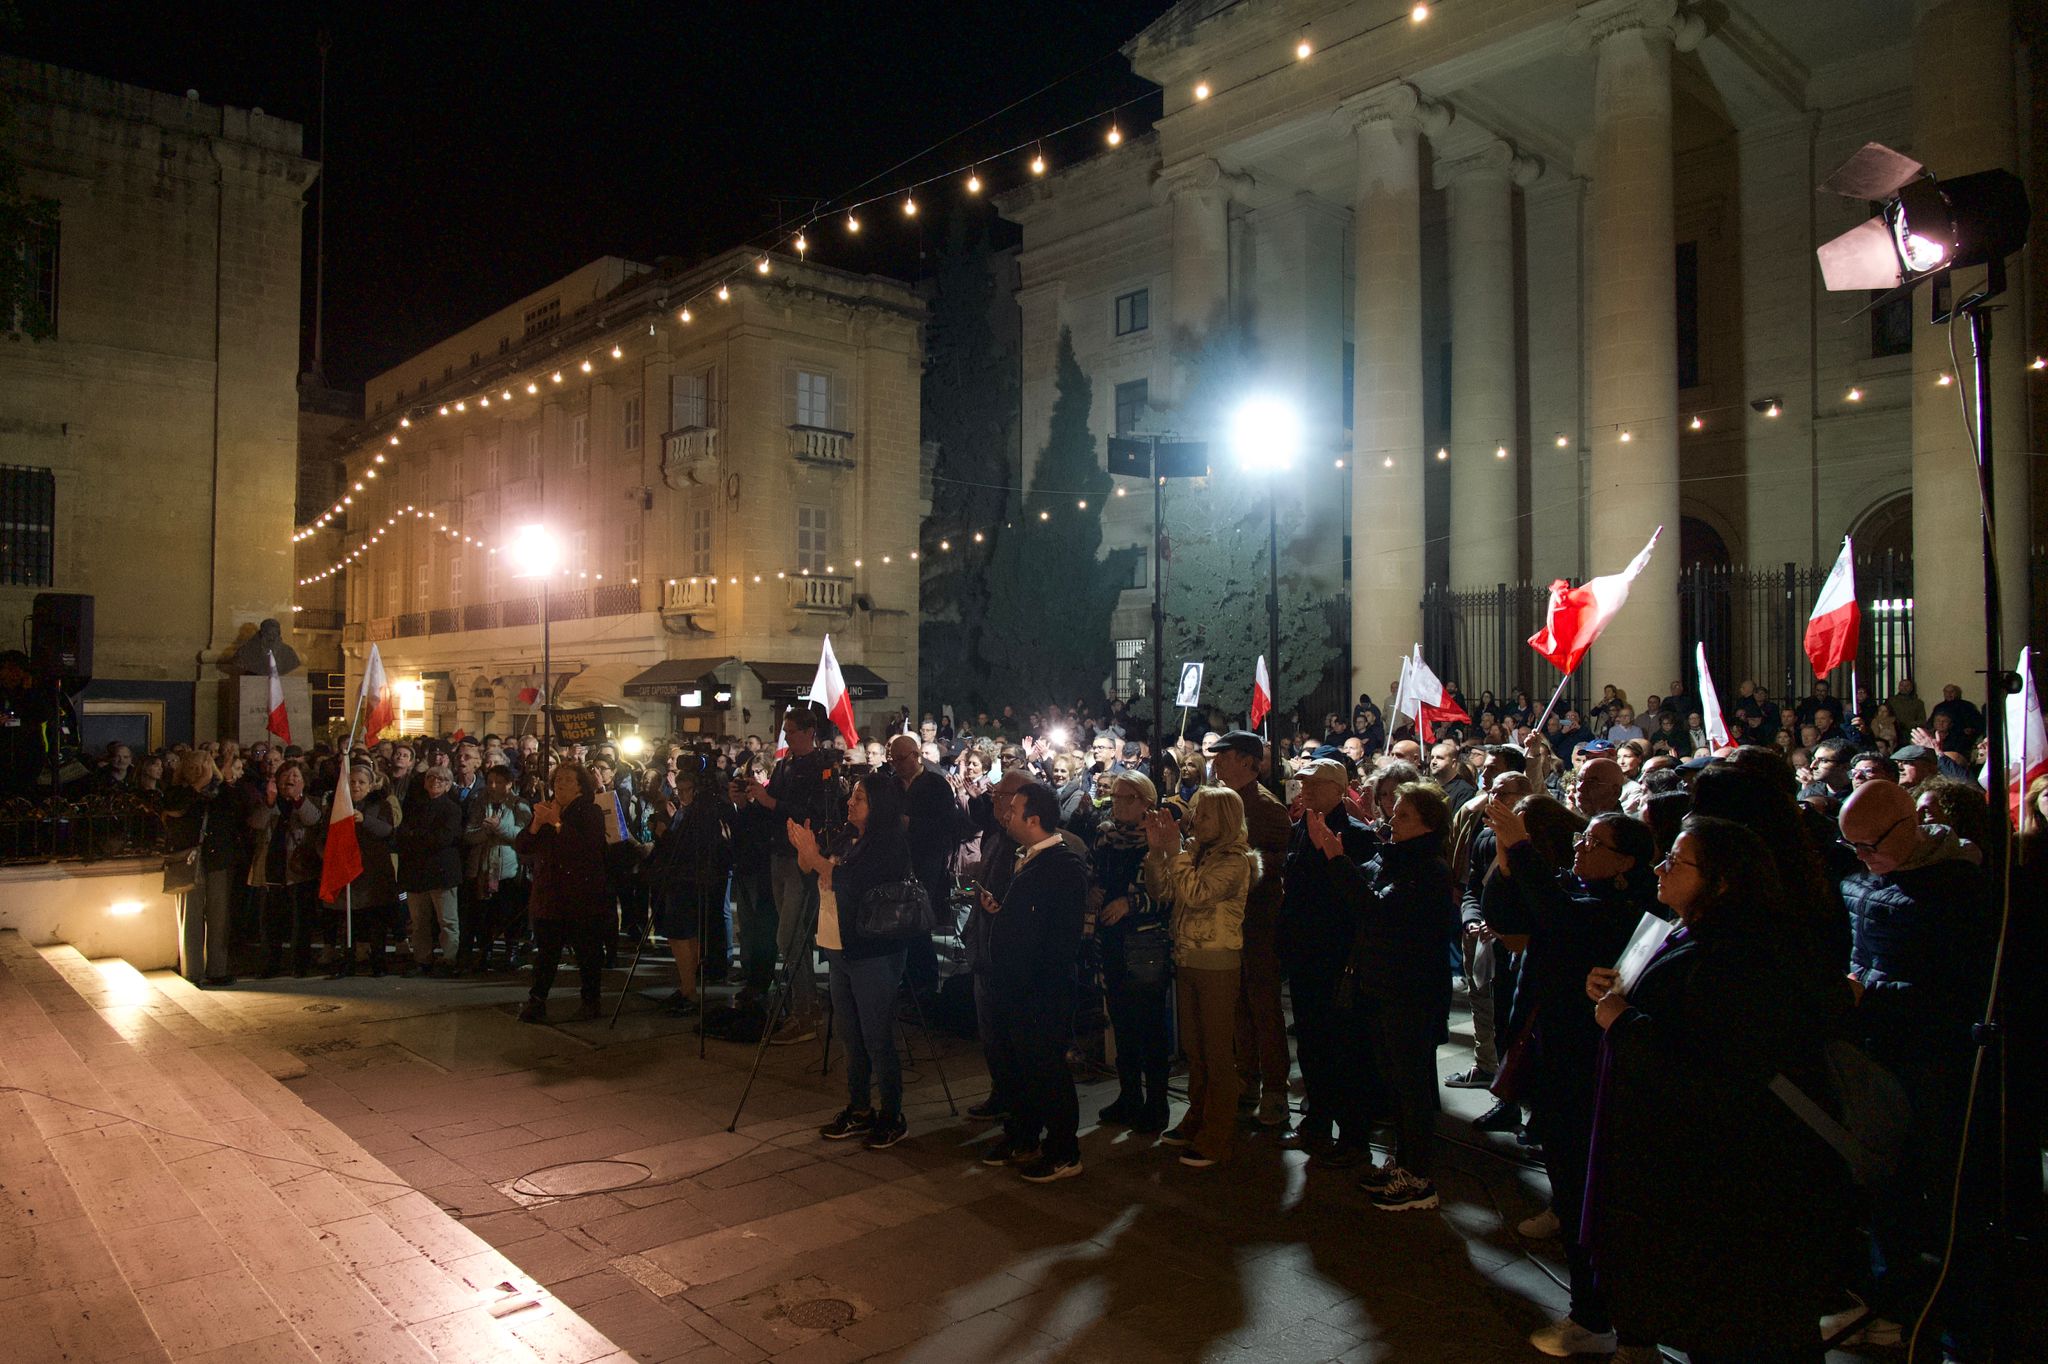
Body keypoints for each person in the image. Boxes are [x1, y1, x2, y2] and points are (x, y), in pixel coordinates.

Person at [1582, 817, 1845, 1362]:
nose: (1661, 868)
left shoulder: (1740, 956)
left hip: (1728, 1181)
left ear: (1721, 881)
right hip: (1693, 1171)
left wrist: (1624, 1021)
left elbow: (1715, 1068)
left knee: (1736, 1325)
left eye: (1677, 861)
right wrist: (1613, 989)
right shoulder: (1691, 931)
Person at [1484, 803, 1660, 1357]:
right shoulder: (1576, 888)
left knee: (1594, 1192)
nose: (1581, 847)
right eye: (1583, 838)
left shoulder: (1628, 909)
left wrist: (1521, 848)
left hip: (1591, 1066)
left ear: (1625, 863)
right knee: (1570, 1175)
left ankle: (1600, 1318)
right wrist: (1507, 863)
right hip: (1558, 1053)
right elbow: (1510, 916)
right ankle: (1593, 1303)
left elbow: (1562, 920)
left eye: (1595, 843)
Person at [1838, 778, 1993, 1354]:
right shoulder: (1871, 878)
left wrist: (1870, 994)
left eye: (1870, 845)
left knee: (1943, 1194)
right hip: (1881, 1051)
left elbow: (1958, 989)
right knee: (1887, 1187)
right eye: (1852, 847)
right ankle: (1895, 1304)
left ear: (1909, 826)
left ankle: (1960, 1329)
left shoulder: (1961, 890)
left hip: (1935, 1061)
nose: (1861, 857)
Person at [1310, 781, 1456, 1210]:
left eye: (1404, 814)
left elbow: (1375, 910)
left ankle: (1419, 1177)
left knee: (1410, 1087)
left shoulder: (1427, 869)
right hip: (1386, 985)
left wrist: (1336, 858)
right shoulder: (1399, 857)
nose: (1394, 819)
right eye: (1395, 811)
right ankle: (1403, 1162)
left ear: (1428, 824)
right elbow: (1368, 883)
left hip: (1410, 991)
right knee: (1394, 1083)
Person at [792, 770, 916, 1150]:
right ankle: (859, 1108)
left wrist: (816, 859)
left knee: (877, 1036)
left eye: (859, 798)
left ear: (878, 805)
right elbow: (816, 871)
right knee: (849, 1035)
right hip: (839, 947)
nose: (850, 802)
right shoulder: (847, 836)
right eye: (852, 797)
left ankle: (892, 1114)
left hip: (873, 951)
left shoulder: (888, 844)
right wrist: (806, 852)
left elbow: (851, 881)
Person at [979, 782, 1090, 1183]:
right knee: (1018, 1066)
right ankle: (1023, 1136)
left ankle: (1063, 1151)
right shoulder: (1026, 859)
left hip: (1042, 989)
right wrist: (1002, 913)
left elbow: (1058, 935)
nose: (1006, 815)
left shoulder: (1063, 865)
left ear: (1034, 819)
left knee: (1047, 1069)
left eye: (1014, 809)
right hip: (1015, 985)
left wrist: (1030, 975)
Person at [1142, 785, 1254, 1169]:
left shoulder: (1236, 861)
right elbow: (1161, 891)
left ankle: (1218, 1133)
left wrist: (1175, 852)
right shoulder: (1194, 853)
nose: (1195, 821)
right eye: (1196, 814)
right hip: (1188, 958)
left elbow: (1196, 893)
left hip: (1217, 963)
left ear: (1225, 819)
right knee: (1195, 1048)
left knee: (1218, 1052)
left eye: (1204, 815)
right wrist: (1157, 853)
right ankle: (1198, 1116)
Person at [1277, 758, 1380, 1164]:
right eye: (1303, 784)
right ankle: (1317, 1121)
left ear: (1339, 789)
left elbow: (1357, 898)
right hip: (1305, 954)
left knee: (1345, 1048)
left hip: (1336, 956)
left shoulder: (1356, 835)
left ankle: (1353, 1136)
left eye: (1315, 785)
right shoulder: (1300, 829)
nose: (1306, 791)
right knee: (1311, 1044)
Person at [739, 706, 845, 1044]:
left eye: (792, 731)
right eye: (784, 731)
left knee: (788, 935)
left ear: (809, 732)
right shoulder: (784, 765)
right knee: (789, 935)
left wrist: (770, 802)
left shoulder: (820, 767)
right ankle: (804, 1005)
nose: (786, 737)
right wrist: (752, 800)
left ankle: (806, 1010)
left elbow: (813, 813)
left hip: (801, 858)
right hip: (778, 853)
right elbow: (773, 807)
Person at [1208, 730, 1292, 1127]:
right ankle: (1247, 1079)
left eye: (1224, 757)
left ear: (1247, 762)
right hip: (1229, 920)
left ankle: (1275, 1090)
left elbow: (1280, 858)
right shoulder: (1222, 801)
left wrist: (1241, 866)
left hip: (1258, 921)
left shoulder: (1265, 806)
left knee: (1264, 1006)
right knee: (1238, 1005)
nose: (1216, 763)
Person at [1091, 771, 1174, 1133]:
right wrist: (1092, 890)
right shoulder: (1105, 836)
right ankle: (1128, 1096)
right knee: (1122, 1023)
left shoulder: (1161, 838)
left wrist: (1132, 903)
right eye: (1115, 797)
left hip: (1144, 943)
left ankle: (1157, 1103)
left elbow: (1168, 893)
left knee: (1149, 1026)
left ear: (1146, 803)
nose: (1119, 804)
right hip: (1110, 939)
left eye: (1128, 798)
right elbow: (1094, 874)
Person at [516, 761, 611, 1024]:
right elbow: (523, 846)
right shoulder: (548, 808)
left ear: (580, 786)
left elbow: (585, 848)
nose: (561, 785)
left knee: (587, 952)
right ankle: (537, 1001)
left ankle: (591, 1001)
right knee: (546, 953)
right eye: (558, 780)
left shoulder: (590, 812)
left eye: (568, 780)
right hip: (549, 895)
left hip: (580, 896)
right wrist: (537, 823)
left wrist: (556, 822)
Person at [647, 770, 733, 1016]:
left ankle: (689, 989)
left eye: (687, 790)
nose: (683, 795)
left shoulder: (701, 815)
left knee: (682, 935)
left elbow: (685, 848)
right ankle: (687, 987)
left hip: (687, 882)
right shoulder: (685, 812)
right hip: (680, 880)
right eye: (680, 790)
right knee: (683, 936)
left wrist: (664, 834)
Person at [162, 751, 242, 985]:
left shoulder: (222, 792)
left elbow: (235, 812)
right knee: (190, 916)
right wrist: (196, 787)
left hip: (218, 860)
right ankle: (192, 971)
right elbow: (175, 809)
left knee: (219, 916)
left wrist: (223, 782)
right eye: (193, 767)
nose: (198, 771)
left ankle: (217, 969)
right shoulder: (177, 792)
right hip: (188, 859)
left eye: (202, 767)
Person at [244, 759, 324, 978]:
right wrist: (269, 802)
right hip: (271, 868)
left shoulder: (312, 801)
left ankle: (299, 964)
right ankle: (270, 964)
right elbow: (256, 823)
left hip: (299, 870)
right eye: (285, 776)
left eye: (296, 776)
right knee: (270, 922)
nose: (290, 780)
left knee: (301, 920)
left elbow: (312, 820)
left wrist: (298, 799)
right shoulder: (268, 802)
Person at [330, 762, 403, 977]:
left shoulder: (381, 805)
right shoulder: (338, 805)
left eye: (361, 782)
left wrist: (365, 820)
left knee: (375, 920)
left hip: (373, 872)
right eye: (352, 782)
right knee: (350, 921)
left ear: (370, 785)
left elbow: (388, 830)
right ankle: (348, 960)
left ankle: (378, 962)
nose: (356, 786)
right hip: (348, 871)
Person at [398, 763, 465, 975]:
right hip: (417, 873)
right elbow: (403, 834)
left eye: (441, 779)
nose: (435, 782)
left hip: (441, 872)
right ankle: (422, 959)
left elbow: (444, 838)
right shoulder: (415, 807)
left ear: (448, 785)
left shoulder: (452, 809)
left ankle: (449, 959)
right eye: (431, 778)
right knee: (419, 921)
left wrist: (416, 836)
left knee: (447, 920)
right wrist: (420, 837)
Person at [462, 763, 529, 973]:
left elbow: (523, 835)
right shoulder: (480, 803)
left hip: (508, 868)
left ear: (509, 784)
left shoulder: (519, 805)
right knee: (485, 914)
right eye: (490, 781)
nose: (493, 786)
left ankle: (511, 952)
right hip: (483, 868)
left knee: (508, 912)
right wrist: (486, 832)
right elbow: (469, 834)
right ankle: (485, 952)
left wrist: (499, 828)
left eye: (498, 782)